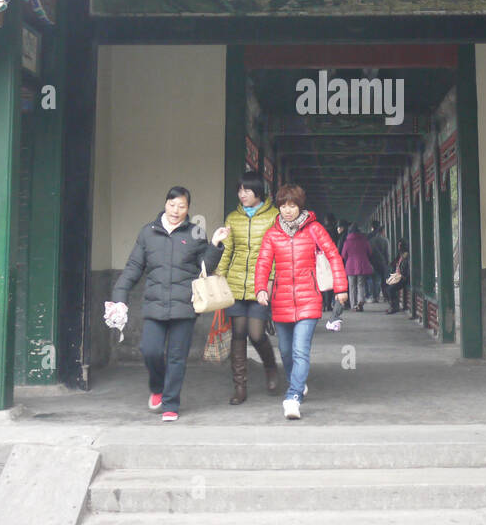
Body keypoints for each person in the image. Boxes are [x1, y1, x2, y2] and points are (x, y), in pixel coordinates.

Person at [107, 187, 228, 422]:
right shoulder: (148, 233)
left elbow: (206, 267)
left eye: (182, 206)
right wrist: (119, 295)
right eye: (172, 205)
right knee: (149, 350)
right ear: (165, 204)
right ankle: (157, 387)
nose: (176, 210)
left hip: (184, 305)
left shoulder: (195, 233)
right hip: (155, 303)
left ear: (188, 209)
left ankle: (171, 404)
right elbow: (133, 267)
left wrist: (214, 245)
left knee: (176, 356)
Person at [255, 184, 347, 420]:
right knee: (285, 351)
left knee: (300, 350)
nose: (287, 210)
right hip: (281, 299)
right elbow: (263, 262)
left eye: (292, 205)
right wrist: (260, 290)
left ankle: (294, 396)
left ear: (300, 206)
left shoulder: (315, 229)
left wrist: (341, 288)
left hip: (309, 299)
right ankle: (297, 381)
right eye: (283, 205)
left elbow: (333, 255)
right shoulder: (272, 233)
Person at [214, 171, 281, 404]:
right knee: (239, 334)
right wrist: (218, 278)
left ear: (258, 192)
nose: (242, 194)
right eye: (240, 190)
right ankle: (239, 387)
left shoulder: (274, 216)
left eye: (247, 190)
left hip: (261, 285)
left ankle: (270, 366)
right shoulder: (233, 217)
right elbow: (227, 251)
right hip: (235, 284)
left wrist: (271, 281)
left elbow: (276, 252)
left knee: (256, 333)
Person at [340, 223, 374, 312]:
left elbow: (343, 255)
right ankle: (360, 303)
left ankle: (353, 305)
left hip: (350, 266)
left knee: (352, 287)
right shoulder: (364, 241)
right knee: (361, 285)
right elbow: (369, 252)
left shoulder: (347, 242)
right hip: (362, 265)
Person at [368, 221, 390, 303]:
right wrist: (387, 262)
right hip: (383, 262)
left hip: (373, 262)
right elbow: (387, 253)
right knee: (384, 280)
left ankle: (375, 297)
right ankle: (386, 296)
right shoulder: (385, 240)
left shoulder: (371, 240)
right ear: (382, 231)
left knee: (375, 280)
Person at [386, 239, 410, 315]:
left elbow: (405, 269)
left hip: (403, 278)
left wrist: (402, 275)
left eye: (400, 245)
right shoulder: (400, 255)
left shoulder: (406, 256)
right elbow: (394, 263)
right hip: (398, 276)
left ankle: (394, 307)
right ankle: (394, 305)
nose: (399, 247)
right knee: (388, 286)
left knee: (391, 289)